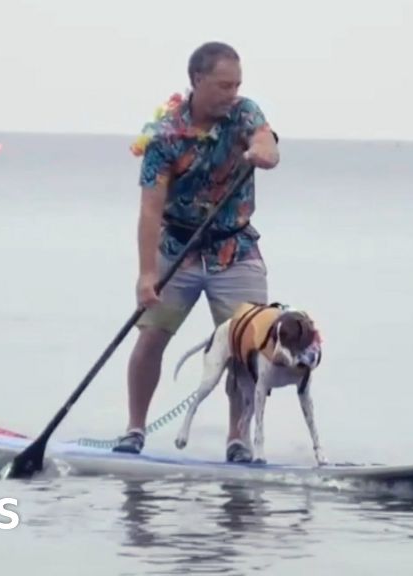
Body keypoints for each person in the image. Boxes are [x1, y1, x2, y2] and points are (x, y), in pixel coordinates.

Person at [113, 41, 281, 463]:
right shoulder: (165, 135)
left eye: (236, 84)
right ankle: (134, 429)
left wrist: (264, 150)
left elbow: (266, 142)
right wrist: (146, 274)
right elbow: (150, 210)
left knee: (246, 346)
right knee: (151, 336)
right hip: (178, 247)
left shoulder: (244, 113)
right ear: (197, 80)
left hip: (234, 247)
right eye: (223, 85)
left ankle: (238, 439)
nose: (232, 93)